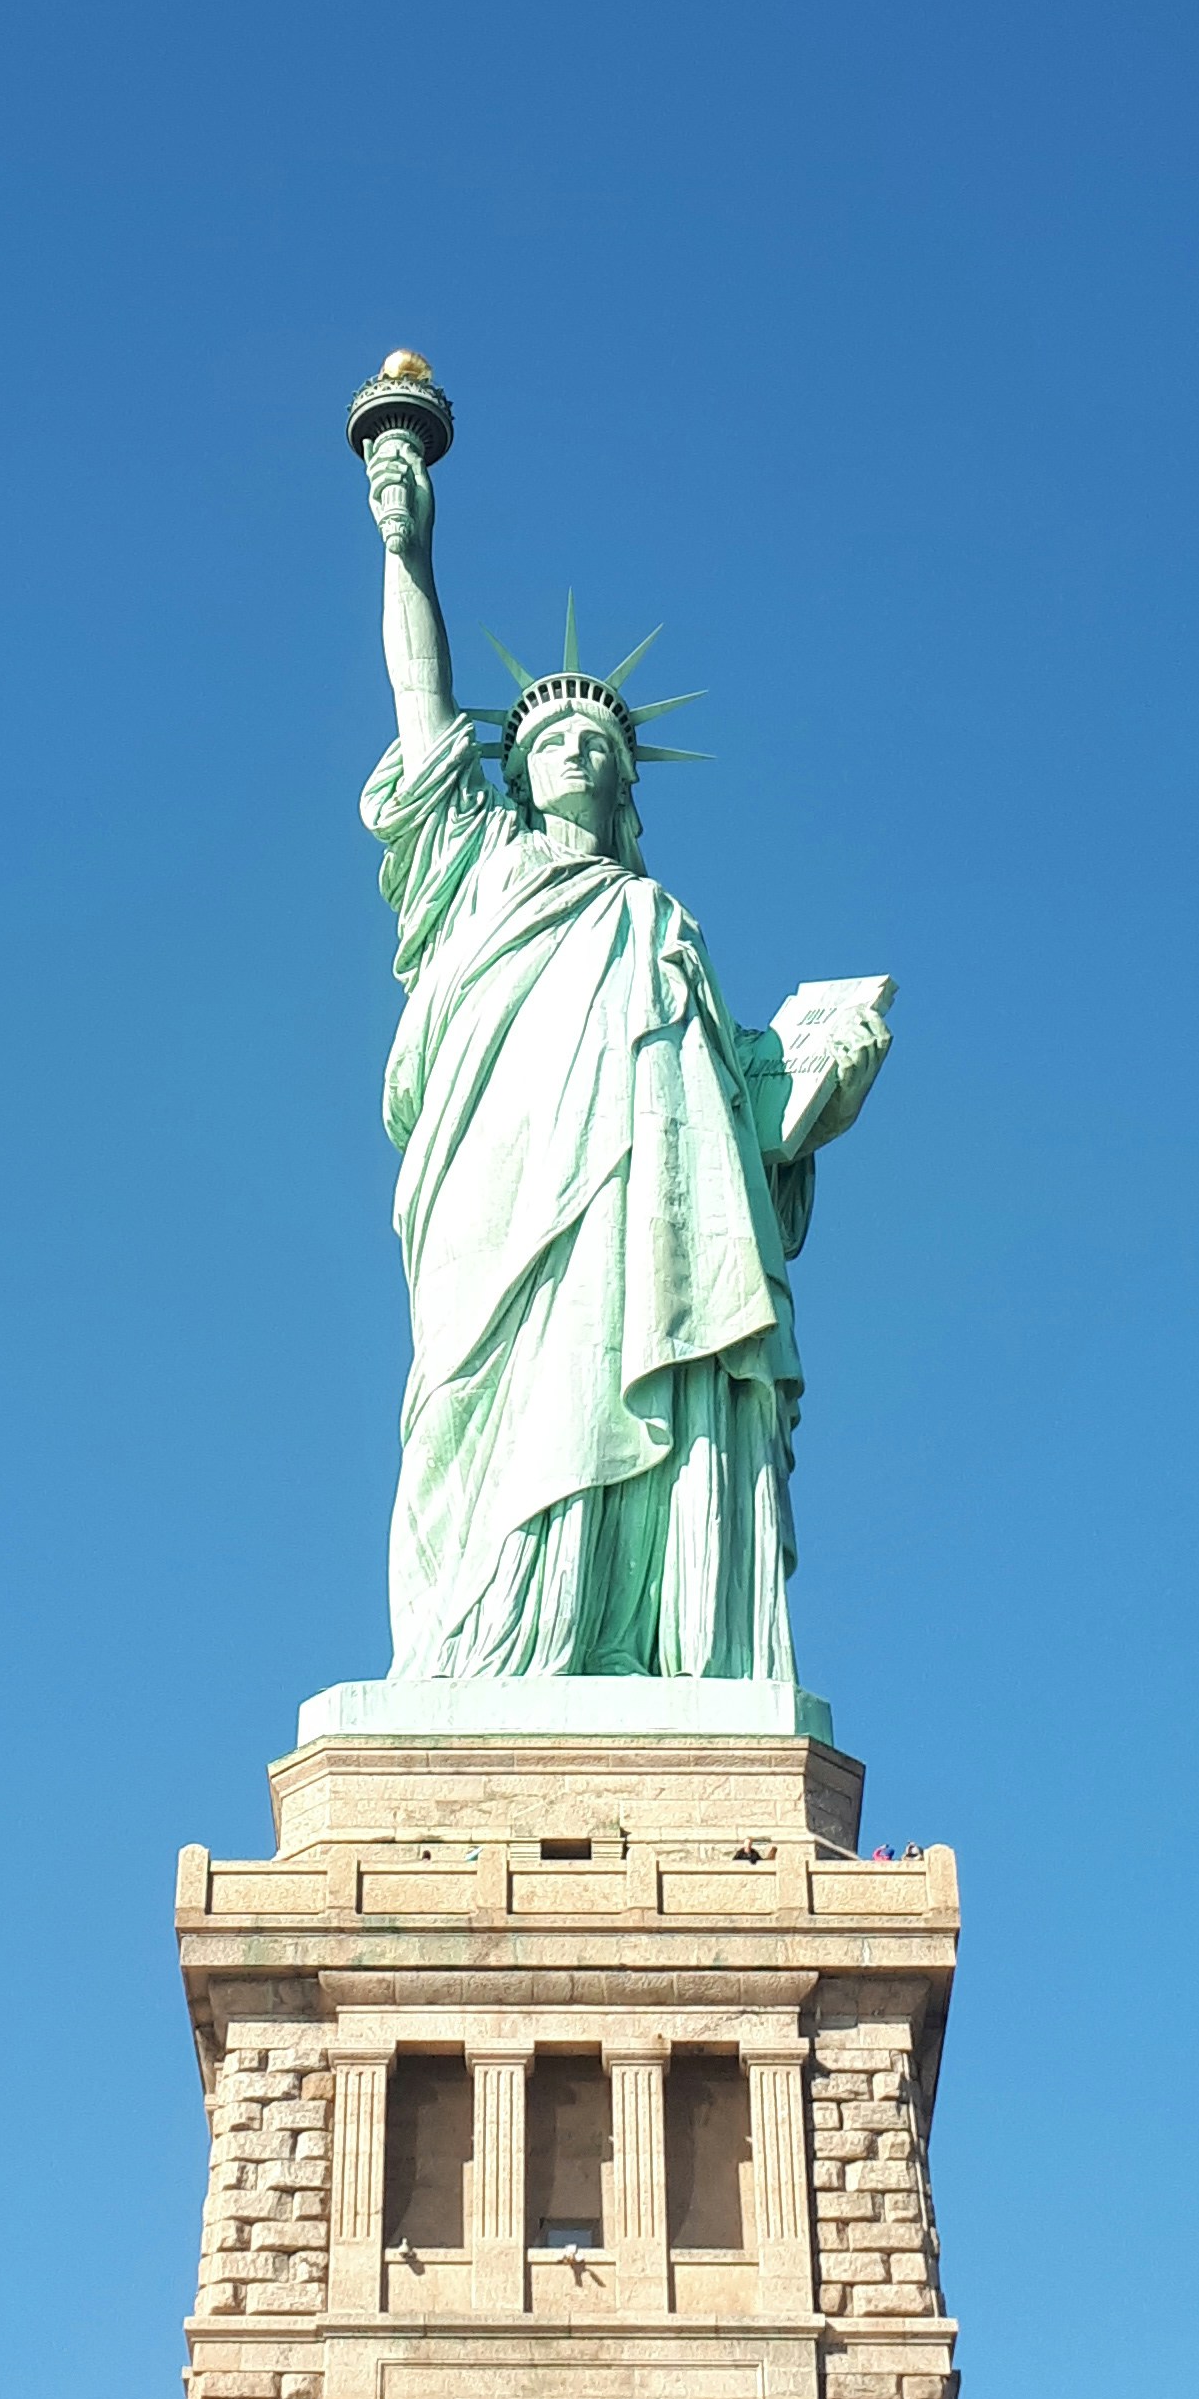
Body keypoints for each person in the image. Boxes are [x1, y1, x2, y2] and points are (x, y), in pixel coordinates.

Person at [359, 419, 890, 1681]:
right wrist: (408, 552)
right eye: (550, 741)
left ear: (623, 782)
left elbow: (738, 1105)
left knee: (621, 1359)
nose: (577, 753)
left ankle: (627, 1631)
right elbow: (421, 705)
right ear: (516, 773)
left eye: (597, 743)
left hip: (645, 1201)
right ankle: (488, 1642)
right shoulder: (476, 869)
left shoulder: (659, 923)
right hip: (498, 1184)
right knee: (483, 1396)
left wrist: (818, 1075)